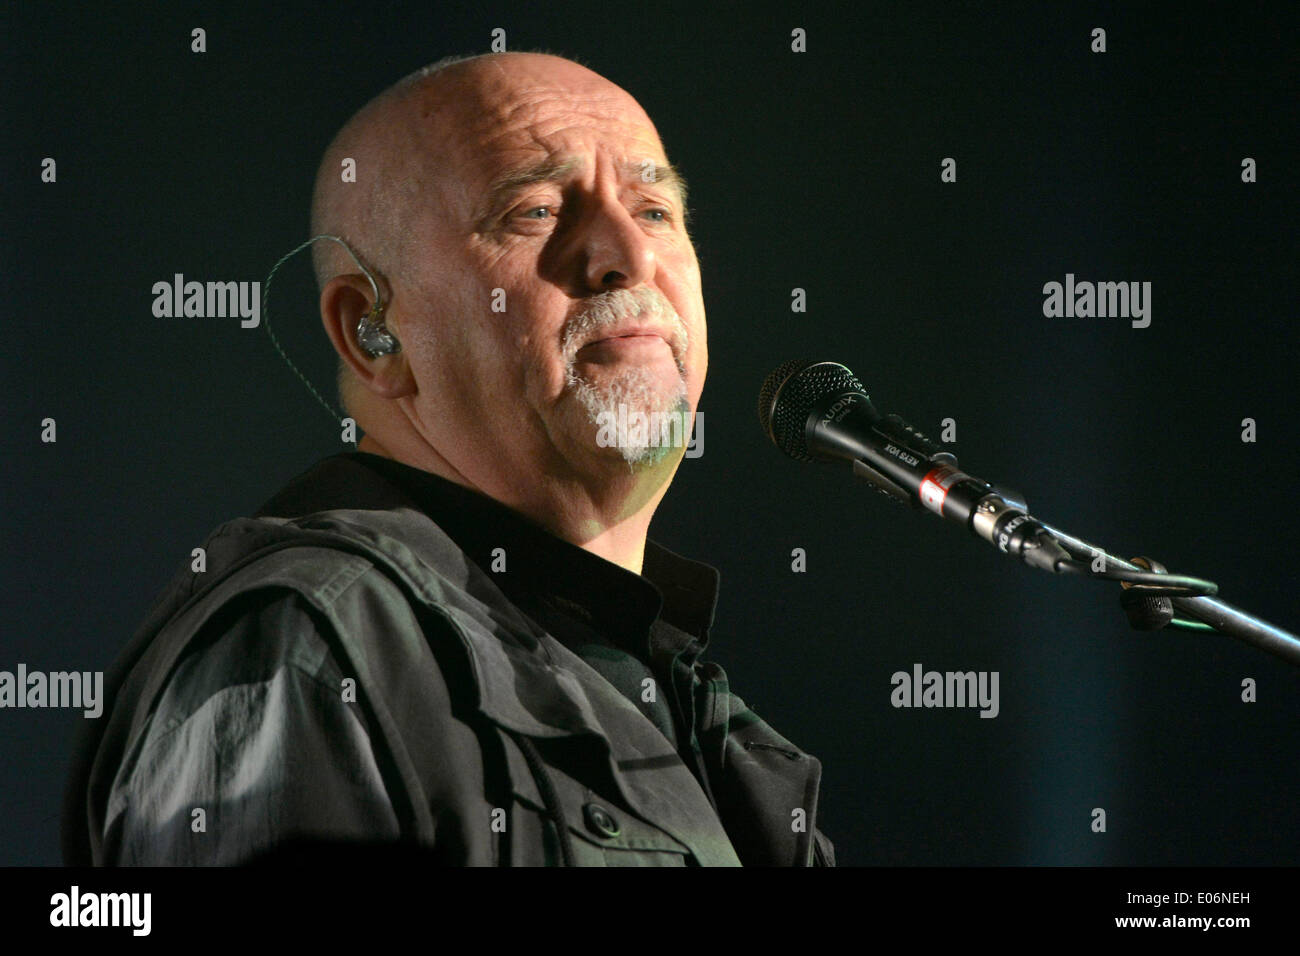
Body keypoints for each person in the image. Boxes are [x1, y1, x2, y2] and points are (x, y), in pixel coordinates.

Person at [62, 51, 835, 866]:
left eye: (652, 211)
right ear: (373, 330)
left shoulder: (678, 695)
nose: (627, 257)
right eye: (535, 211)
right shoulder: (312, 646)